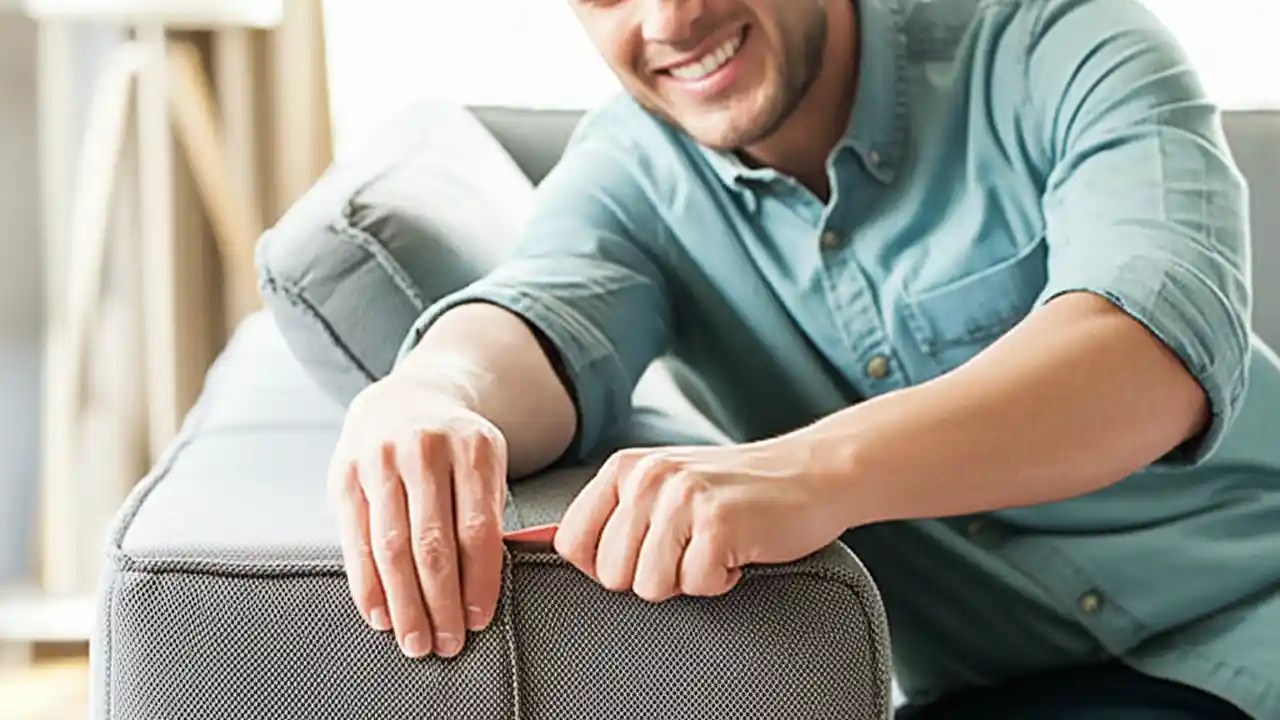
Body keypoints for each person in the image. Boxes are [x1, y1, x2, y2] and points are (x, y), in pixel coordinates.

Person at [326, 0, 1279, 716]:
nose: (672, 20)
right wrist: (427, 393)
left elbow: (1151, 350)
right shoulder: (632, 174)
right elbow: (542, 313)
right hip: (999, 692)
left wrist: (808, 474)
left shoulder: (1063, 42)